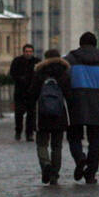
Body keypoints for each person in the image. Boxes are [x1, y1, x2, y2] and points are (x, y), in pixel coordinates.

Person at [63, 32, 99, 184]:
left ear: (80, 43)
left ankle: (80, 158)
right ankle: (90, 173)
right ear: (95, 44)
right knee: (95, 141)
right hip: (98, 105)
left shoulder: (70, 60)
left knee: (74, 136)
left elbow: (62, 81)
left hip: (75, 104)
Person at [28, 48, 72, 185]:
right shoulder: (64, 73)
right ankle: (54, 174)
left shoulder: (39, 72)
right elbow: (69, 94)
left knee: (41, 144)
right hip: (59, 114)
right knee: (57, 146)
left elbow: (32, 93)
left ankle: (45, 164)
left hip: (42, 114)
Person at [8, 43, 38, 142]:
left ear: (32, 52)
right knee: (19, 114)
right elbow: (12, 74)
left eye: (30, 52)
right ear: (23, 52)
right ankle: (18, 132)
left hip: (32, 92)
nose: (28, 53)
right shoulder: (17, 61)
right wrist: (20, 79)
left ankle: (29, 133)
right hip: (20, 92)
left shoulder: (36, 62)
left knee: (31, 114)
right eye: (26, 51)